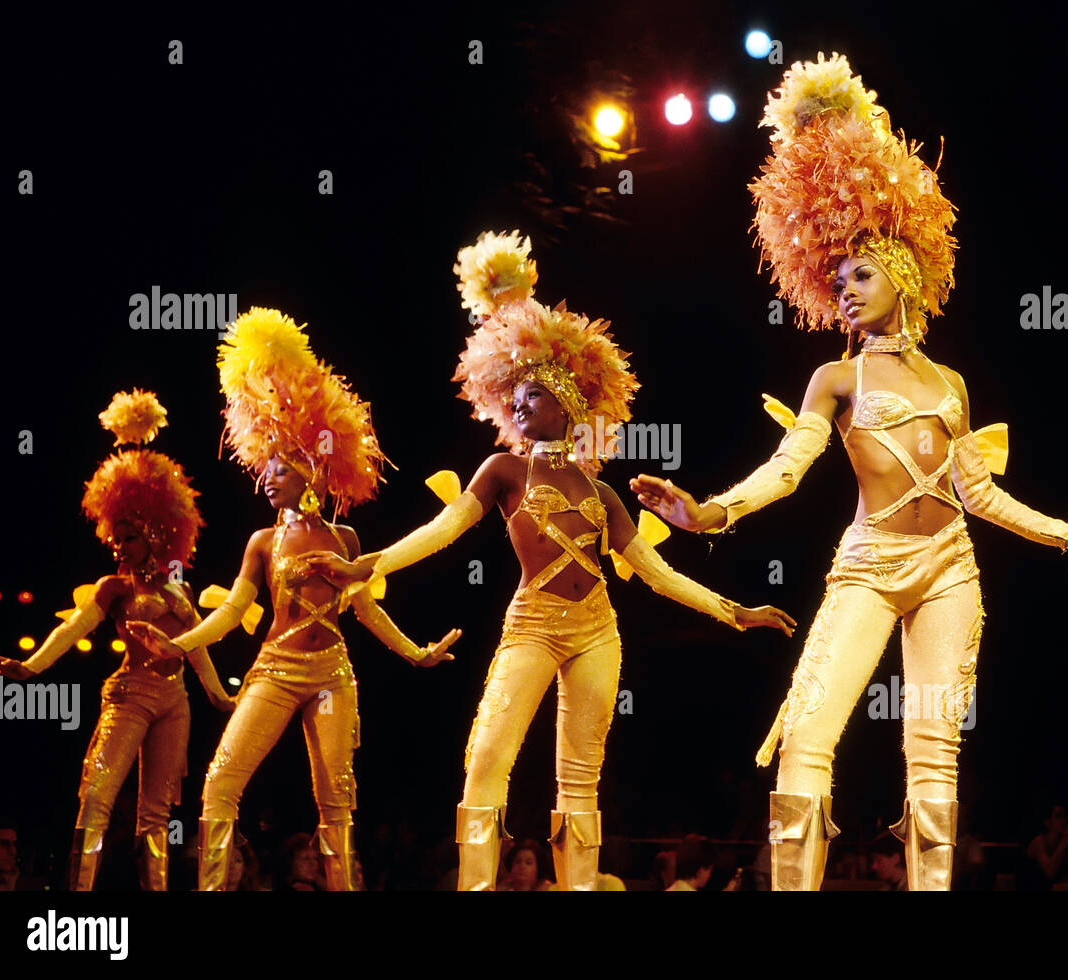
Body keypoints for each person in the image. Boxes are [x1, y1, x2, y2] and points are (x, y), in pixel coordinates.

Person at [631, 53, 1068, 891]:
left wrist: (1063, 534)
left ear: (904, 276)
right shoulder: (835, 378)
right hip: (867, 568)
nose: (844, 292)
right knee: (809, 734)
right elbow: (789, 468)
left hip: (949, 570)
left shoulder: (950, 385)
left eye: (859, 275)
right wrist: (709, 513)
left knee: (932, 753)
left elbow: (978, 493)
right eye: (837, 281)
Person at [303, 232, 795, 891]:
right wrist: (375, 563)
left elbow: (657, 573)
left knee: (580, 779)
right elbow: (446, 527)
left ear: (566, 404)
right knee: (485, 761)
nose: (516, 406)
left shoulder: (601, 492)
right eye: (515, 397)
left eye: (532, 396)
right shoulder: (504, 468)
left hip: (597, 630)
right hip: (532, 623)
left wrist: (736, 612)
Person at [128, 308, 458, 890]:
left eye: (276, 471)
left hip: (333, 674)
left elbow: (365, 608)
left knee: (337, 802)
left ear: (308, 471)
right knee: (219, 785)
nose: (265, 481)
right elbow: (232, 612)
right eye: (264, 473)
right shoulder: (263, 540)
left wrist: (415, 653)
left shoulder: (345, 539)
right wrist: (177, 642)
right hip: (274, 671)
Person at [0, 390, 233, 890]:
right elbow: (72, 628)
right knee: (96, 795)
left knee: (157, 814)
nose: (119, 544)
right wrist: (30, 668)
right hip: (130, 695)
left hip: (175, 701)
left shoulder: (180, 589)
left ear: (158, 535)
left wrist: (220, 697)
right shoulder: (112, 587)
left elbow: (196, 646)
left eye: (129, 535)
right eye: (115, 535)